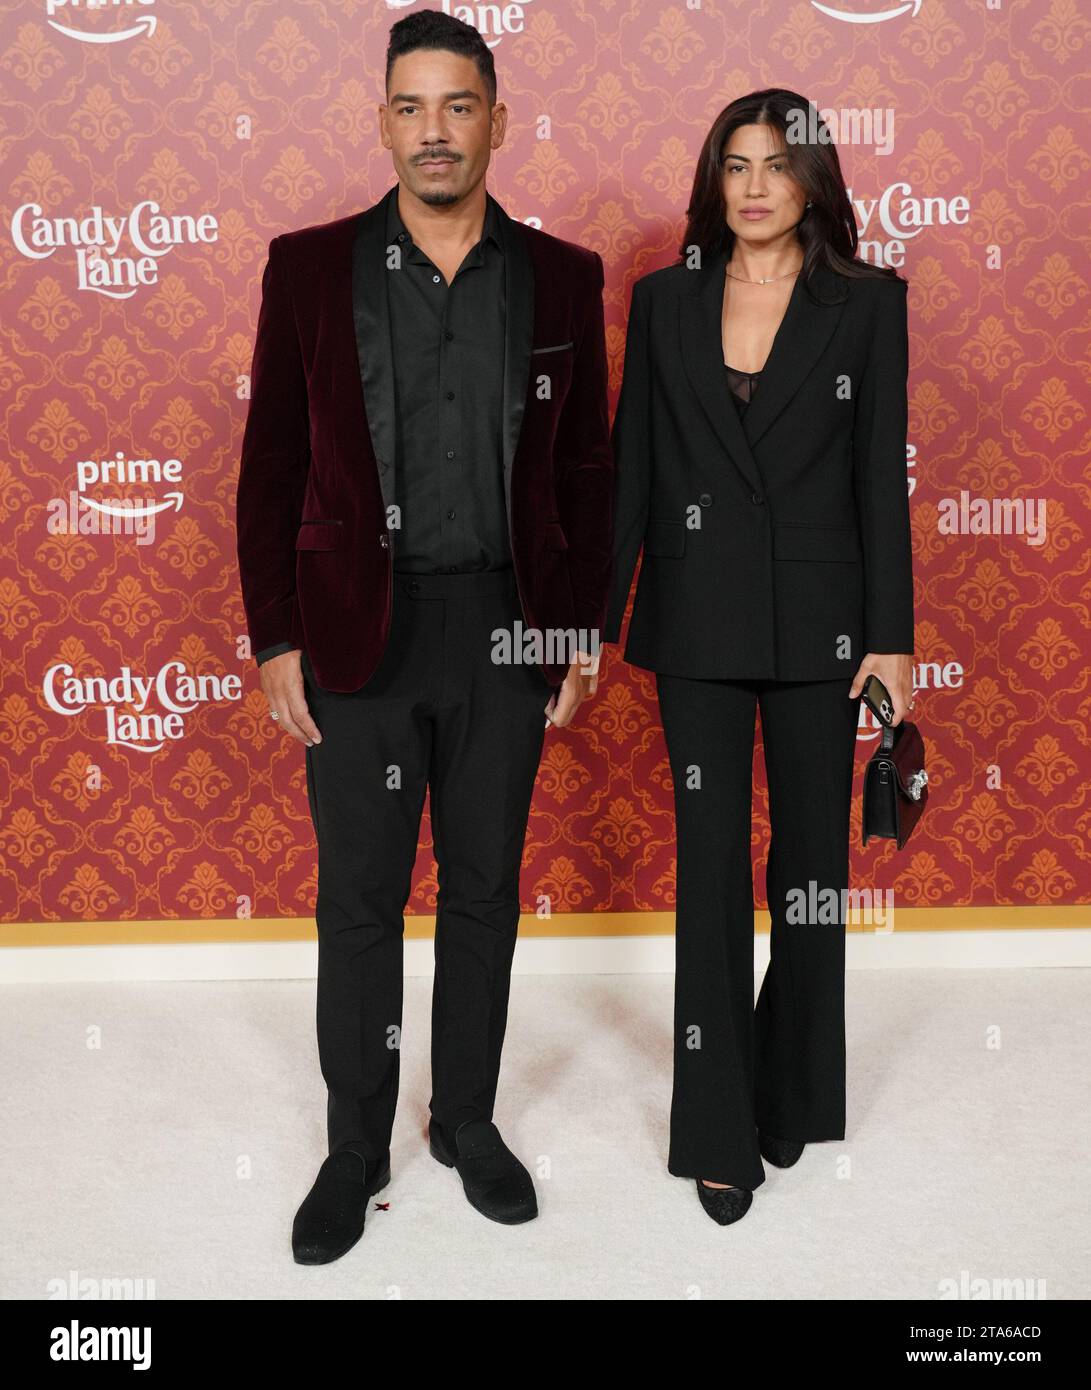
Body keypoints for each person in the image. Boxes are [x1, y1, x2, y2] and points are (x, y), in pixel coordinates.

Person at [235, 9, 612, 1263]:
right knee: (358, 899)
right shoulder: (306, 268)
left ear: (497, 122)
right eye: (411, 106)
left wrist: (575, 631)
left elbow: (588, 469)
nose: (435, 130)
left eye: (459, 106)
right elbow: (271, 466)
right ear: (381, 120)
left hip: (505, 626)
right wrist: (274, 639)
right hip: (357, 633)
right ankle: (354, 1146)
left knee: (487, 892)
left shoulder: (561, 278)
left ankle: (464, 1120)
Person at [604, 89, 915, 1225]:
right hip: (693, 628)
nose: (750, 186)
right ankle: (717, 1128)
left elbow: (878, 477)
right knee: (708, 876)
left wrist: (892, 638)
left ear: (811, 183)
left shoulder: (867, 306)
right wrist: (589, 623)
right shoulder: (662, 302)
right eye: (732, 164)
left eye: (774, 166)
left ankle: (792, 1085)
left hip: (821, 636)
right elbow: (632, 468)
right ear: (712, 180)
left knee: (811, 878)